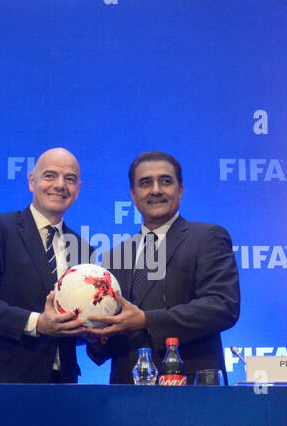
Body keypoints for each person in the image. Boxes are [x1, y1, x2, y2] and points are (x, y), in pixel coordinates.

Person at [85, 151, 240, 383]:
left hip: (189, 388)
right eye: (145, 183)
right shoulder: (115, 256)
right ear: (133, 195)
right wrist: (97, 337)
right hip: (125, 393)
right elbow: (114, 335)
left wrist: (147, 320)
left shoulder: (207, 237)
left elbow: (222, 306)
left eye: (165, 181)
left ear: (180, 189)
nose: (155, 190)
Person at [0, 148, 90, 383]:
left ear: (78, 189)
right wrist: (38, 323)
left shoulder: (83, 249)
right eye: (50, 175)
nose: (60, 185)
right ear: (31, 181)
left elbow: (73, 326)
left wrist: (92, 330)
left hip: (62, 389)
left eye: (70, 179)